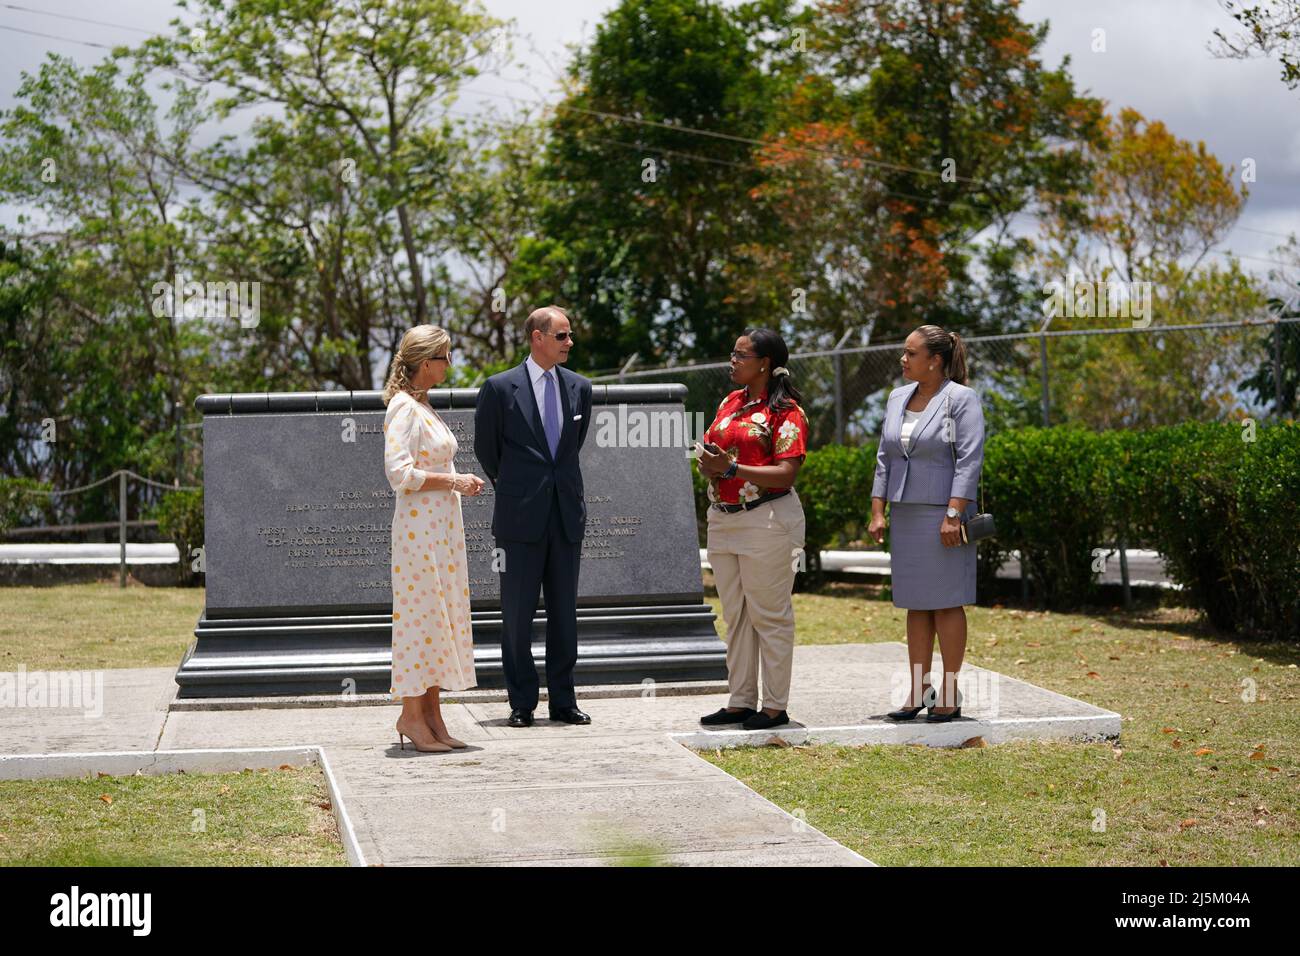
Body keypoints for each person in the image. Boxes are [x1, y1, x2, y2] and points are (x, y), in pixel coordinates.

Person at [474, 306, 594, 728]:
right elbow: (488, 451)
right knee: (517, 616)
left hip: (565, 518)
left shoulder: (581, 388)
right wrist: (518, 489)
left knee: (565, 614)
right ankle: (521, 702)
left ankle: (564, 701)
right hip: (518, 521)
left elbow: (570, 449)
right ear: (537, 337)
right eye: (562, 335)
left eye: (570, 335)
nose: (569, 343)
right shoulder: (499, 388)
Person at [869, 324, 984, 723]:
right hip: (906, 513)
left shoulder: (960, 399)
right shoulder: (898, 397)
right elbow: (885, 457)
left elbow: (969, 459)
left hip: (943, 515)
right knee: (916, 605)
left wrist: (953, 513)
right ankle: (919, 690)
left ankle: (950, 692)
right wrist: (878, 509)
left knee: (946, 602)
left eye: (910, 353)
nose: (903, 359)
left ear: (934, 361)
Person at [695, 328, 809, 731]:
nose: (733, 360)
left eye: (741, 355)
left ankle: (775, 707)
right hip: (723, 518)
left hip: (767, 520)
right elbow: (712, 446)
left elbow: (786, 474)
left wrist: (729, 468)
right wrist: (708, 459)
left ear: (764, 362)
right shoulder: (730, 401)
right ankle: (741, 700)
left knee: (769, 614)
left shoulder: (786, 411)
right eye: (733, 353)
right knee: (737, 614)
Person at [382, 324, 486, 753]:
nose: (450, 364)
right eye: (445, 357)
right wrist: (453, 480)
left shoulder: (424, 406)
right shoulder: (403, 408)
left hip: (442, 531)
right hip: (419, 532)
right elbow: (399, 473)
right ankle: (411, 714)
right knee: (420, 618)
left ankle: (433, 717)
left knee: (440, 619)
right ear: (427, 363)